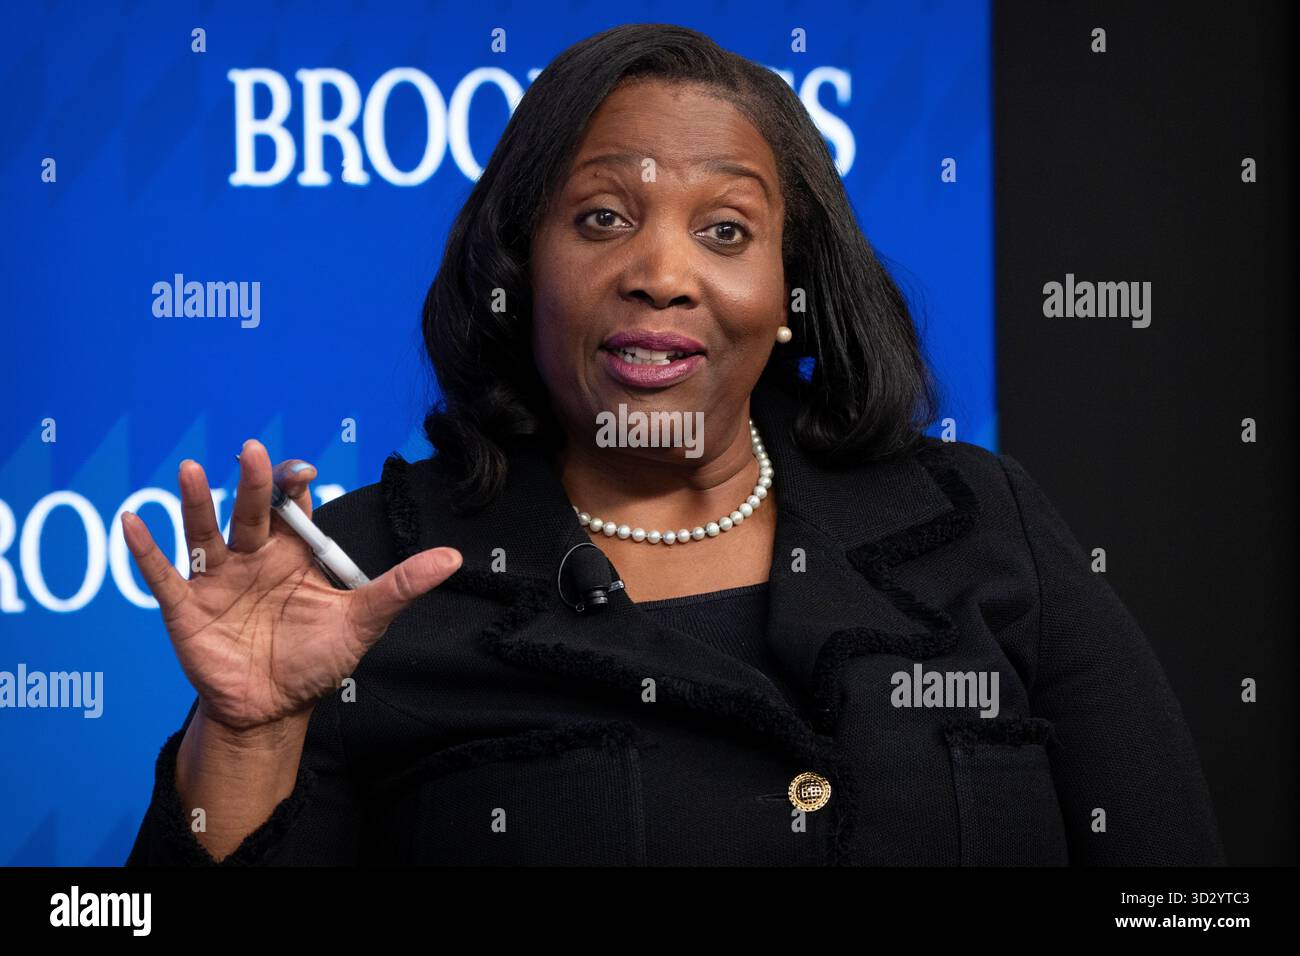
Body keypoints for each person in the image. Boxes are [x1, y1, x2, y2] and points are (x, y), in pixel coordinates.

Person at [123, 23, 1223, 866]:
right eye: (601, 218)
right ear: (520, 272)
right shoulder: (360, 574)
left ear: (788, 290)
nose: (662, 269)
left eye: (726, 229)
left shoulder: (982, 521)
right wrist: (247, 737)